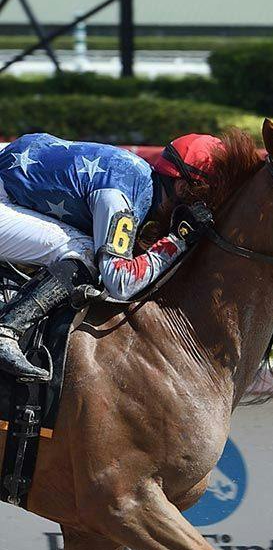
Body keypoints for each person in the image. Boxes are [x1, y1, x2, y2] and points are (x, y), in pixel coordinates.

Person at [0, 132, 222, 381]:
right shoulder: (121, 199)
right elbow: (119, 282)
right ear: (181, 187)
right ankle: (8, 329)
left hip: (9, 172)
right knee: (84, 251)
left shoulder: (139, 175)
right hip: (4, 193)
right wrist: (176, 242)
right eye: (205, 202)